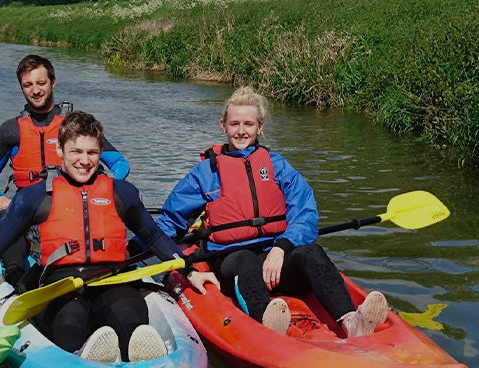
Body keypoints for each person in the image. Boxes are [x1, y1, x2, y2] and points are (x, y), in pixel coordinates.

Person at [0, 111, 187, 363]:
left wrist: (191, 270)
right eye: (76, 151)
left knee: (130, 313)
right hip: (60, 291)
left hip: (111, 282)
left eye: (92, 152)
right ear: (59, 151)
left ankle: (138, 356)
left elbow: (153, 236)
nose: (84, 160)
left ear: (101, 153)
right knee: (71, 319)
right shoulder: (35, 197)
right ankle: (83, 358)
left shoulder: (121, 193)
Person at [156, 86, 388, 337]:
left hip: (276, 259)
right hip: (231, 261)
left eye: (248, 124)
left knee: (311, 251)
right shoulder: (205, 173)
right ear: (222, 125)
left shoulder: (278, 166)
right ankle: (266, 321)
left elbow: (305, 213)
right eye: (234, 124)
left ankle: (351, 321)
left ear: (260, 127)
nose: (241, 131)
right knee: (244, 259)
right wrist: (141, 249)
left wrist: (281, 247)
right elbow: (171, 221)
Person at [0, 54, 131, 289]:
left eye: (41, 83)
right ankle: (15, 277)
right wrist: (0, 198)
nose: (35, 90)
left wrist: (102, 186)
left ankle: (114, 268)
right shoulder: (10, 131)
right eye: (28, 85)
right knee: (7, 220)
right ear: (21, 87)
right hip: (30, 209)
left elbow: (120, 164)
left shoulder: (75, 125)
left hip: (74, 205)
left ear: (53, 82)